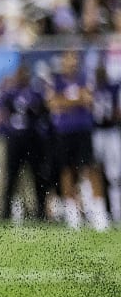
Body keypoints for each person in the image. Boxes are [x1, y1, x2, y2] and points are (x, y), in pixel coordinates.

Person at [48, 51, 107, 230]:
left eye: (74, 59)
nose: (71, 63)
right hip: (65, 132)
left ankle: (98, 212)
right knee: (67, 171)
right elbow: (52, 103)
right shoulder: (56, 80)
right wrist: (75, 100)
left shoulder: (84, 77)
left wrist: (65, 101)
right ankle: (72, 212)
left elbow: (88, 98)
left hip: (82, 130)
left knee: (90, 169)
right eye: (68, 59)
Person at [0, 63, 54, 222]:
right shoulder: (9, 93)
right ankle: (6, 212)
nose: (21, 77)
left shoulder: (35, 92)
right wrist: (6, 128)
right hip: (15, 139)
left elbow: (44, 111)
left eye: (24, 74)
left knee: (37, 175)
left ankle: (41, 212)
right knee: (12, 176)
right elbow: (0, 112)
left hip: (32, 138)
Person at [91, 59, 121, 224]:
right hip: (96, 132)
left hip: (111, 132)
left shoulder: (113, 88)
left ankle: (116, 210)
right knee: (94, 170)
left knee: (115, 173)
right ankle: (98, 210)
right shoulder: (92, 89)